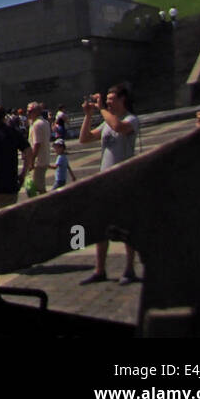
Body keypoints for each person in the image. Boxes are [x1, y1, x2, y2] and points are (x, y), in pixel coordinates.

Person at [78, 84, 140, 284]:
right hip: (105, 181)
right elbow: (84, 139)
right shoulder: (107, 122)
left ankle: (129, 269)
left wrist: (102, 108)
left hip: (124, 180)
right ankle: (100, 269)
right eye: (107, 100)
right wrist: (88, 115)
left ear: (123, 99)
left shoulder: (131, 119)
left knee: (127, 226)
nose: (108, 103)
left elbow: (119, 128)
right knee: (101, 226)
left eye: (111, 100)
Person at [26, 102, 51, 194]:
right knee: (39, 186)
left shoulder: (37, 124)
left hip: (38, 161)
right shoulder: (45, 122)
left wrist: (31, 161)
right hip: (44, 158)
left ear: (37, 111)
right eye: (27, 111)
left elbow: (37, 144)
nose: (27, 113)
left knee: (39, 187)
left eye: (30, 111)